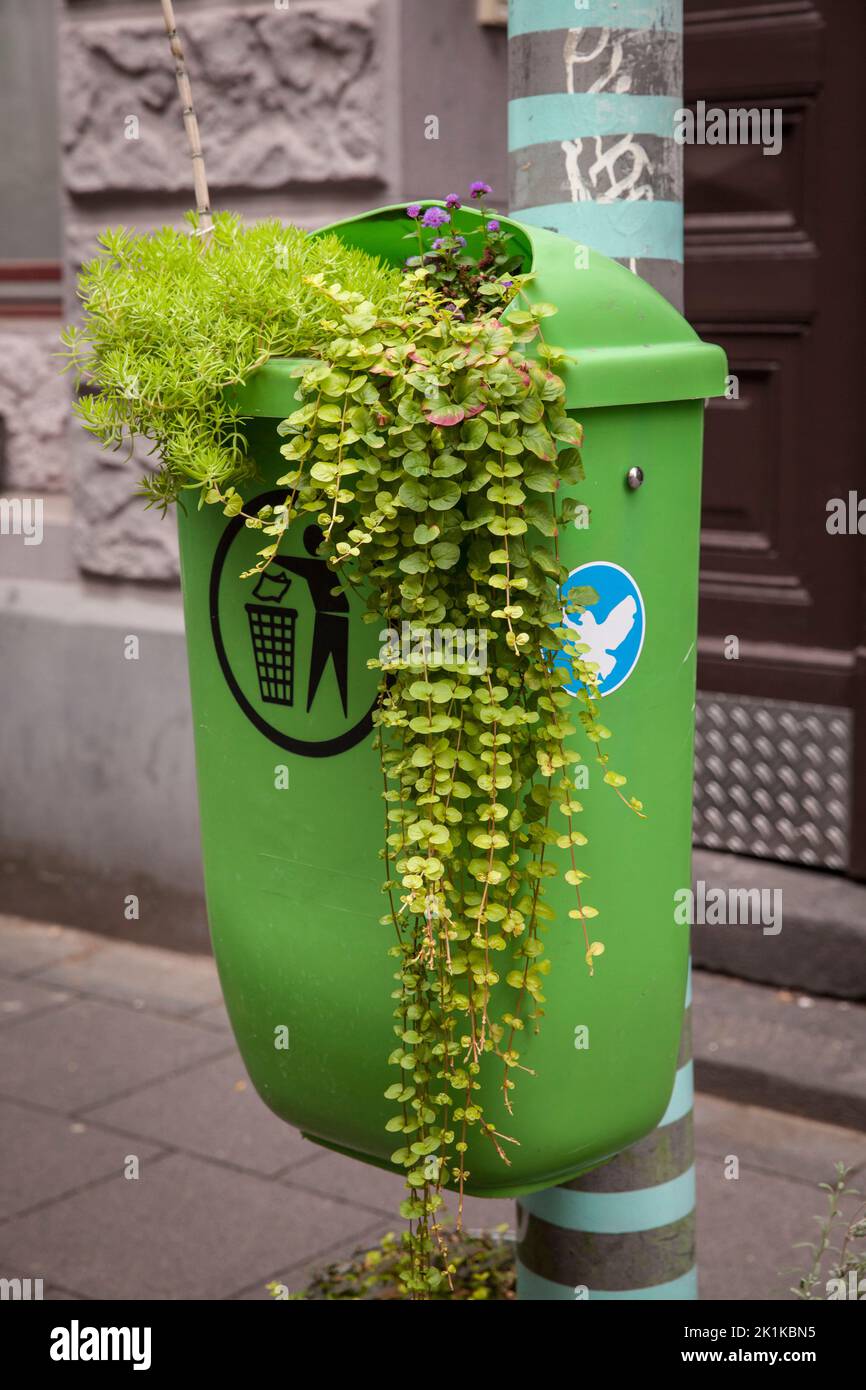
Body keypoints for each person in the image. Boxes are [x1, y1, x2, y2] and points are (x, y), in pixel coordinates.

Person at [257, 526, 350, 717]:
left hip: (331, 619)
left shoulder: (318, 567)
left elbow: (297, 565)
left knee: (329, 668)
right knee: (326, 669)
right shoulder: (322, 565)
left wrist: (273, 557)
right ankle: (314, 707)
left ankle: (327, 708)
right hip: (331, 618)